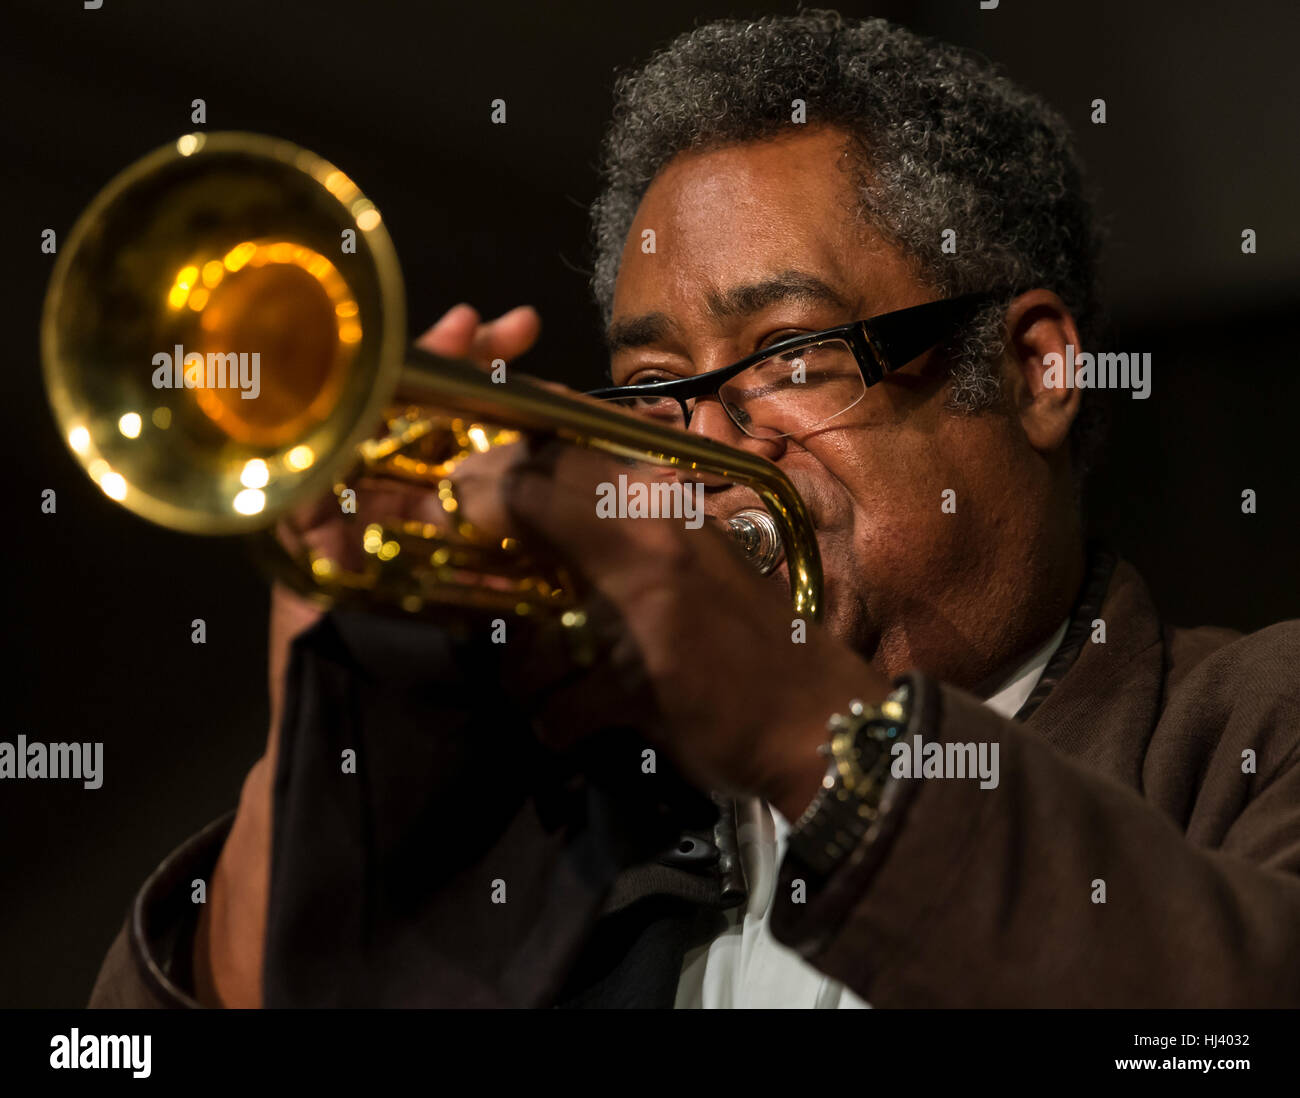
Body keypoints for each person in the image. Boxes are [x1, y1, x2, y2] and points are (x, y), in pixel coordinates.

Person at [89, 11, 1300, 1009]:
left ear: (1038, 370)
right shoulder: (574, 807)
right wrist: (326, 734)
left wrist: (805, 732)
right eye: (654, 390)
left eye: (786, 356)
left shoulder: (1256, 726)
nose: (706, 448)